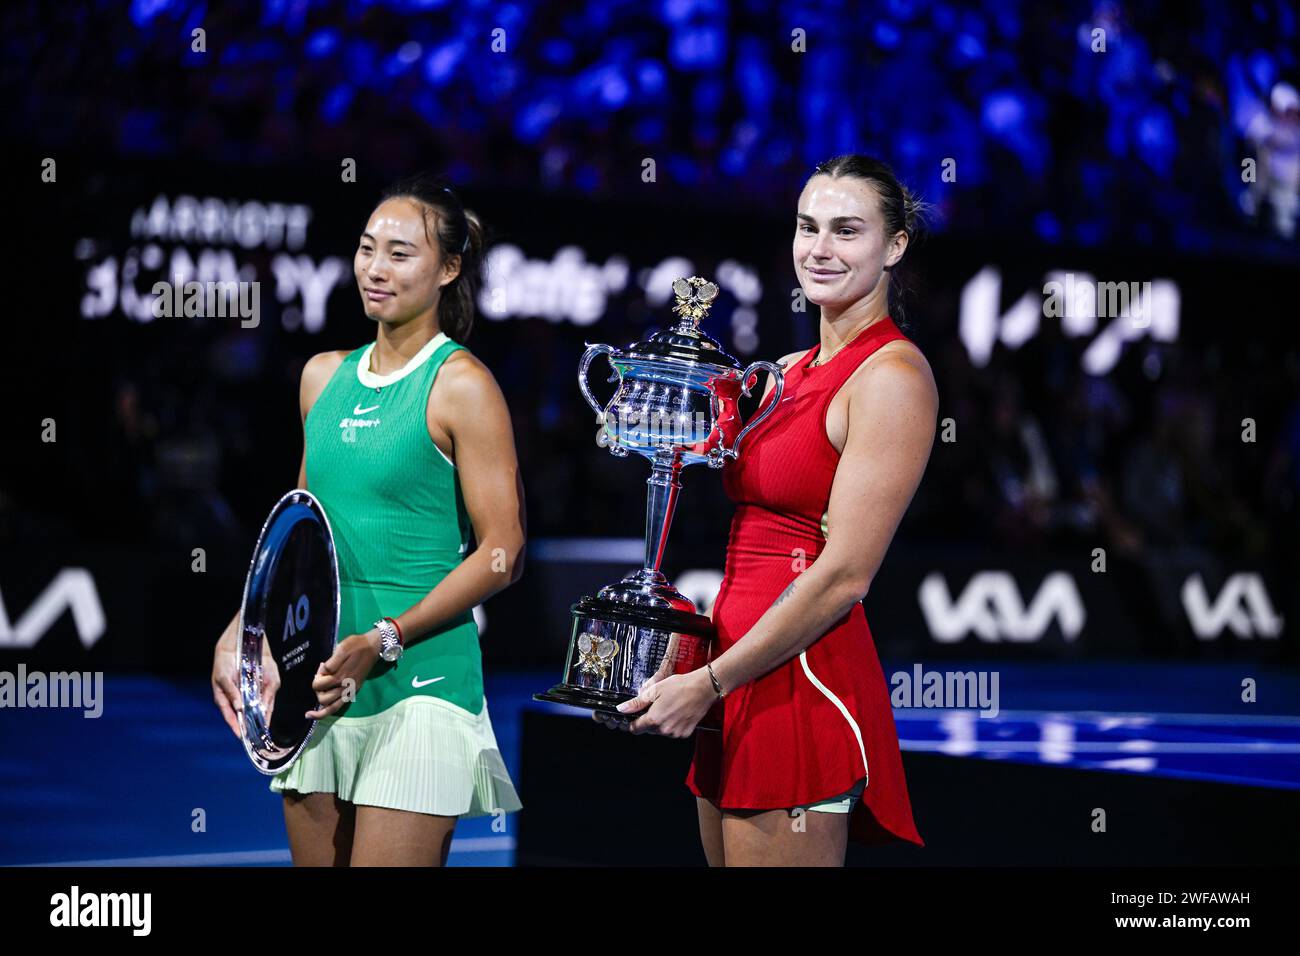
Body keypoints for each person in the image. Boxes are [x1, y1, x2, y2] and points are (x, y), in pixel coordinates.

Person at [596, 154, 938, 866]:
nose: (820, 249)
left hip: (798, 679)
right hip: (730, 667)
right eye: (808, 227)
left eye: (848, 231)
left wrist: (711, 681)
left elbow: (845, 575)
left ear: (894, 246)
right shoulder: (779, 373)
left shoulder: (894, 378)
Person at [212, 173, 525, 866]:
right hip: (317, 686)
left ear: (448, 269)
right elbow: (297, 537)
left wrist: (385, 637)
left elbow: (505, 551)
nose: (375, 269)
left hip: (422, 687)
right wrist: (243, 633)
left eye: (400, 253)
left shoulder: (462, 384)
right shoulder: (321, 377)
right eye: (366, 249)